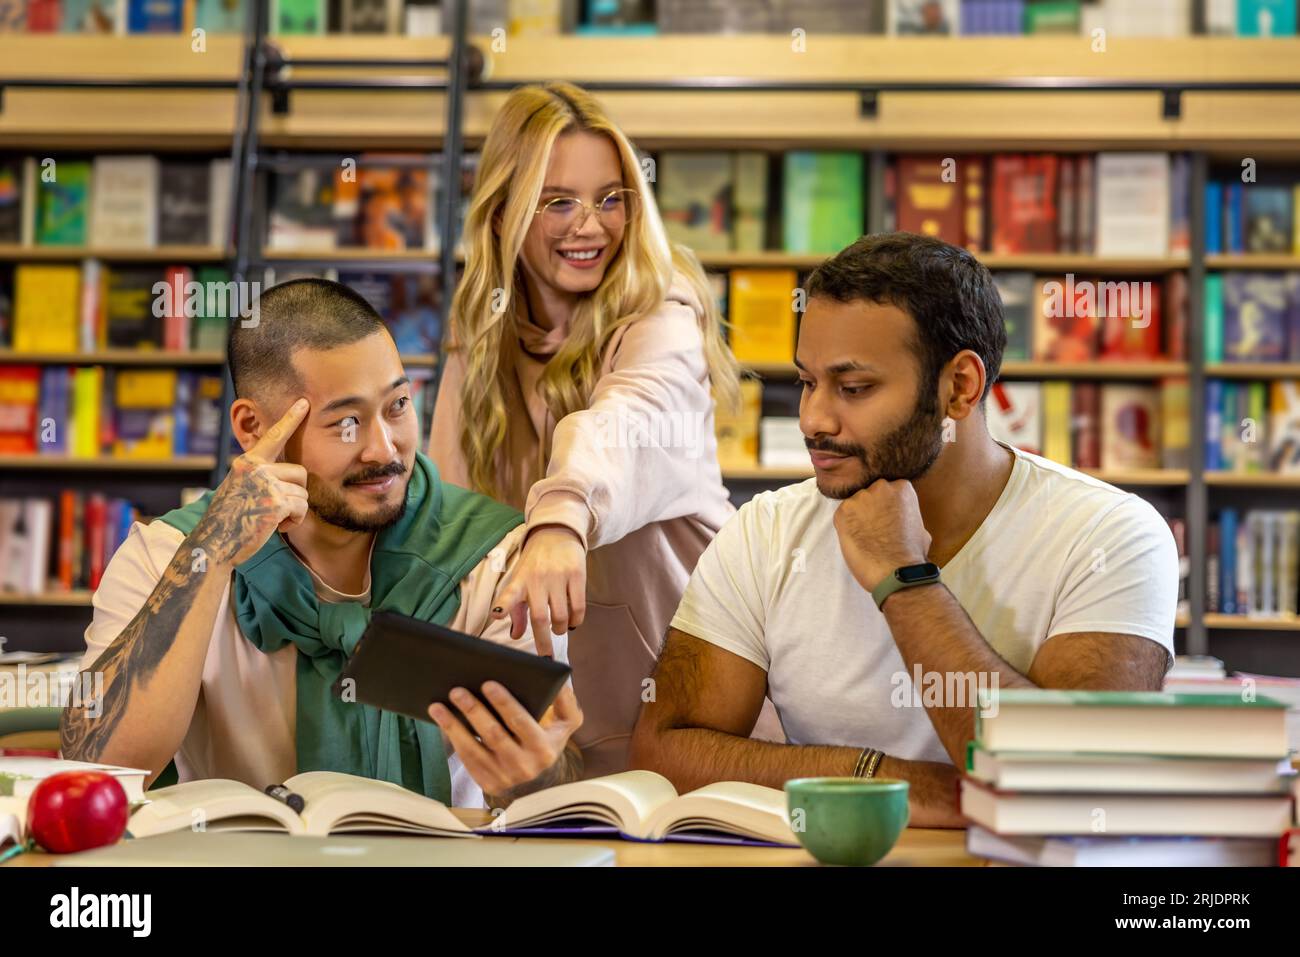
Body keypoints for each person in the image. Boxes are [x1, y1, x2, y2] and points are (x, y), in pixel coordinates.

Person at [629, 232, 1178, 825]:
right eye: (808, 381)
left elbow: (1072, 776)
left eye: (854, 388)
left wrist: (905, 579)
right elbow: (666, 750)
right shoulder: (766, 531)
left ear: (959, 389)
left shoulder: (1112, 535)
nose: (812, 419)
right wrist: (891, 782)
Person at [61, 278, 582, 809]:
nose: (384, 449)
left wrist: (535, 778)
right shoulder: (167, 554)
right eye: (347, 422)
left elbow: (540, 796)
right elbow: (103, 767)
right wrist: (213, 555)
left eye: (398, 405)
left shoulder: (499, 560)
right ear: (252, 426)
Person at [428, 81, 780, 776]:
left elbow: (626, 418)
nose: (589, 226)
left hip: (692, 724)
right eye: (558, 201)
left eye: (611, 198)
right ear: (503, 213)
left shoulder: (661, 315)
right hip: (551, 741)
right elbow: (450, 517)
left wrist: (560, 518)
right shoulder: (482, 334)